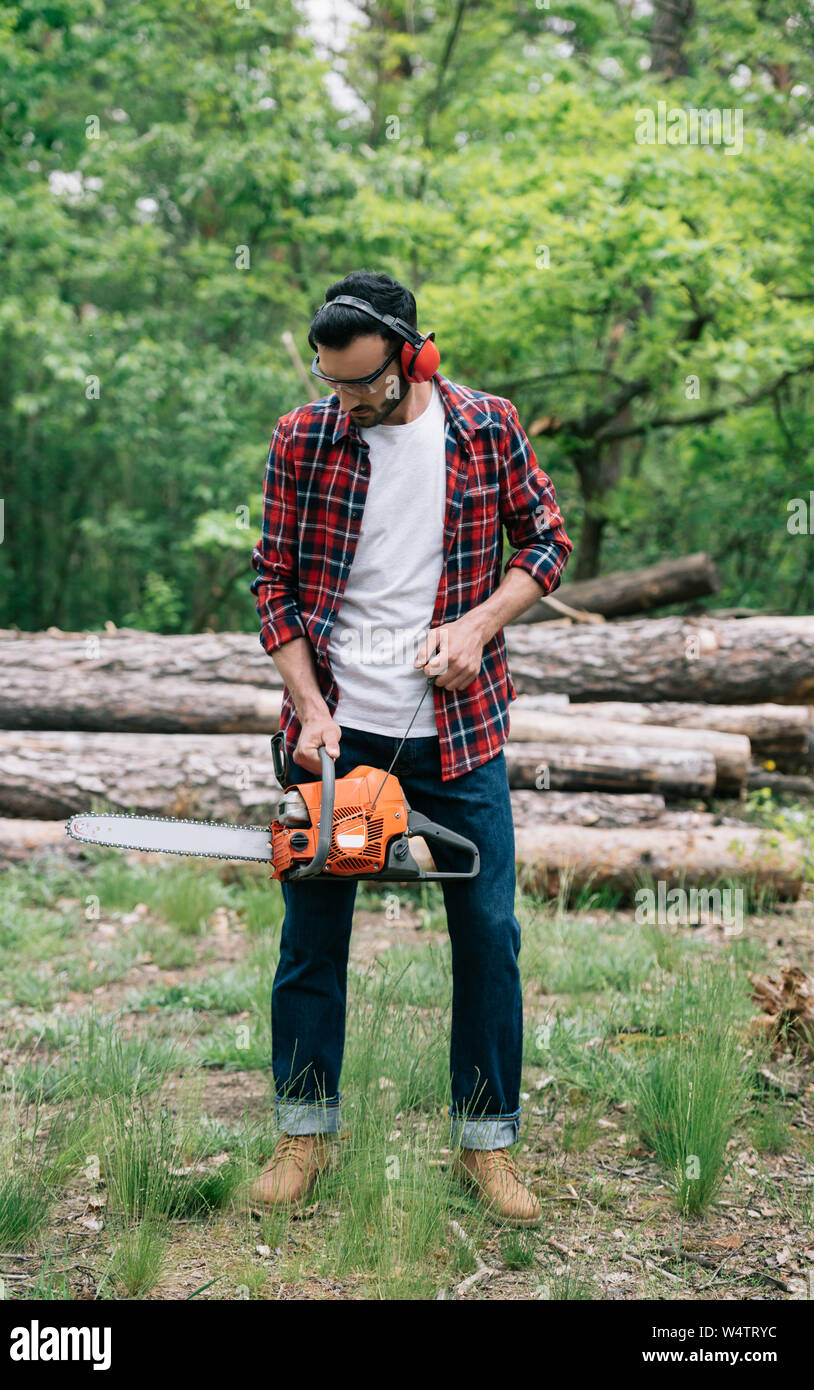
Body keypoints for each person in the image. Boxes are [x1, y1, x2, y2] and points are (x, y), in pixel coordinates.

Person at [247, 269, 573, 1224]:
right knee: (314, 937)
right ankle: (303, 1136)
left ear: (412, 357)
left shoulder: (486, 426)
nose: (343, 401)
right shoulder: (304, 439)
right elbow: (272, 583)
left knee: (488, 937)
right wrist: (308, 709)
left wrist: (478, 626)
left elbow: (547, 542)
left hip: (459, 732)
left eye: (361, 385)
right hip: (342, 731)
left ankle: (487, 1144)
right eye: (330, 382)